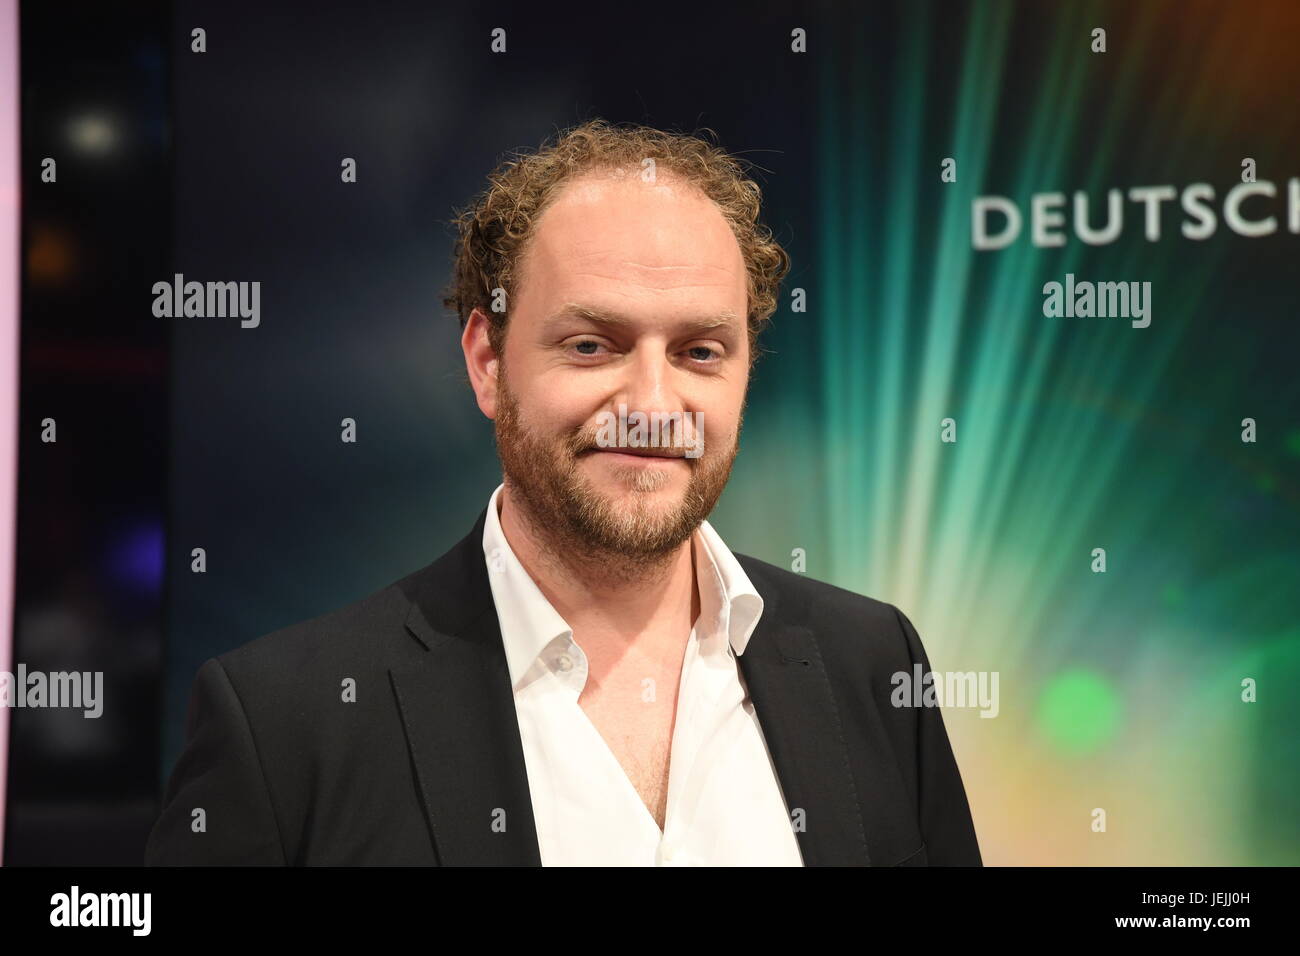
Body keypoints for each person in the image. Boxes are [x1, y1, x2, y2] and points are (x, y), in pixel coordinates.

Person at [145, 119, 981, 866]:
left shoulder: (872, 662)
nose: (653, 408)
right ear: (487, 360)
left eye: (699, 352)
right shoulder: (287, 724)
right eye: (591, 345)